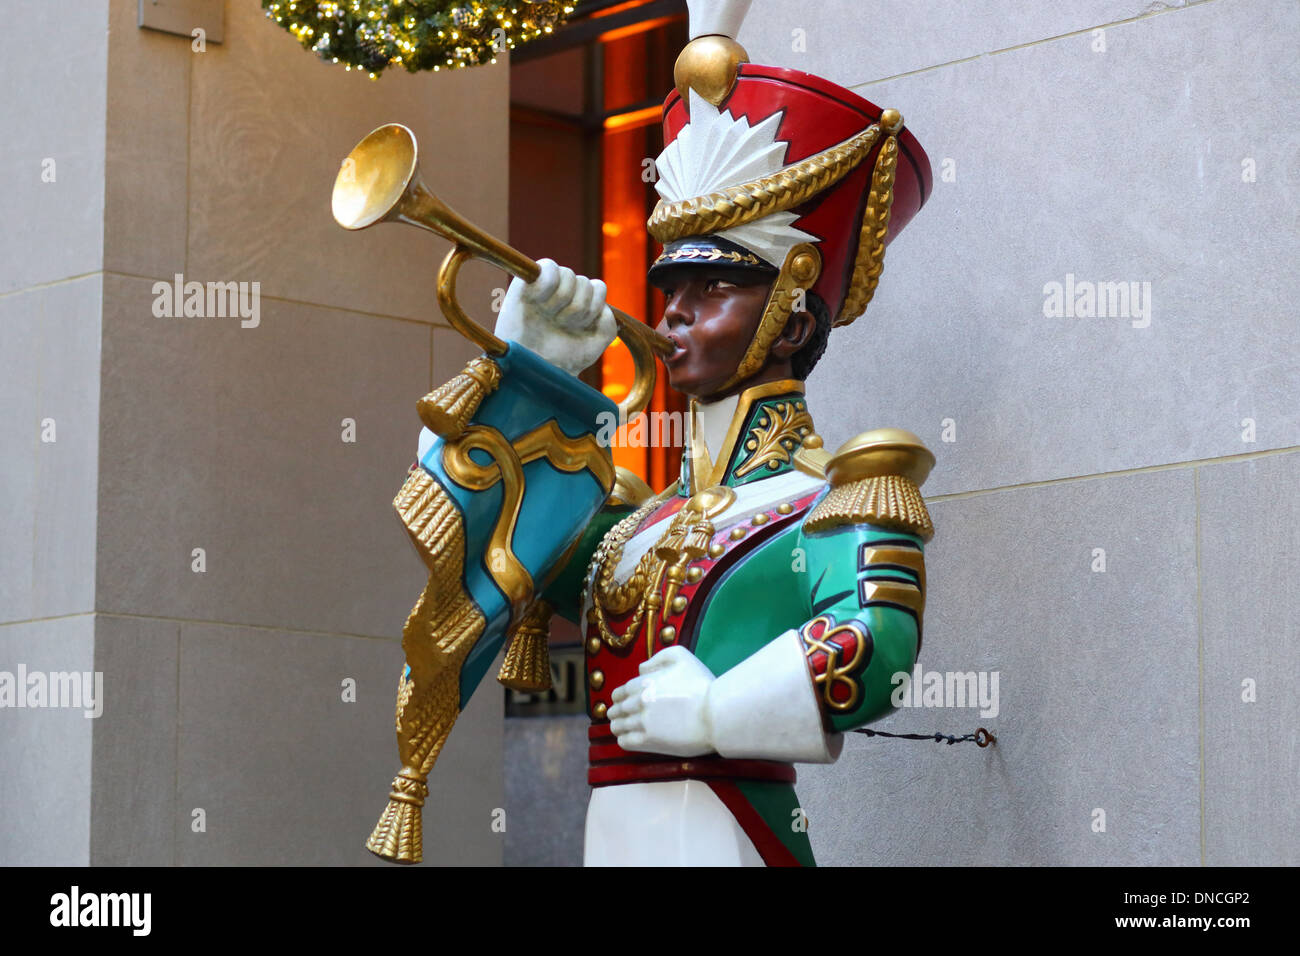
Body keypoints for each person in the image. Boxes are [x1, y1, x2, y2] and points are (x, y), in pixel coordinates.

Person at [492, 0, 937, 865]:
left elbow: (879, 648)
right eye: (672, 291)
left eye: (715, 291)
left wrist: (718, 712)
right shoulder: (629, 525)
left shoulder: (841, 502)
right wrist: (524, 373)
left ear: (795, 321)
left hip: (740, 840)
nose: (675, 317)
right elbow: (487, 566)